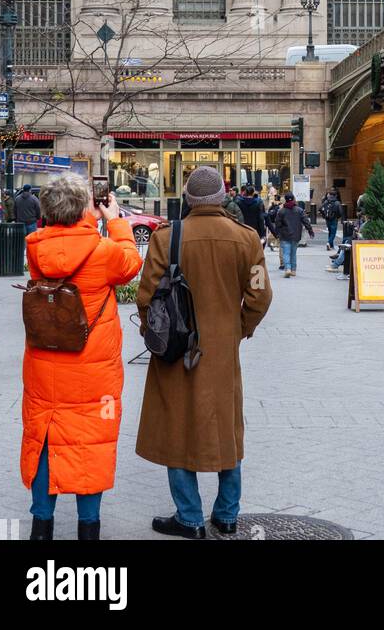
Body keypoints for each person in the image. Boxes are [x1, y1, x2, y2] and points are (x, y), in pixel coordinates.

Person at [135, 166, 272, 539]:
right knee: (228, 427)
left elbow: (146, 295)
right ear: (223, 196)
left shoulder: (168, 237)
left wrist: (155, 334)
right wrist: (241, 327)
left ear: (189, 199)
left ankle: (190, 517)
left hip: (177, 349)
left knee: (176, 427)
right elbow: (260, 294)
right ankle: (227, 514)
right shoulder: (246, 239)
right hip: (223, 350)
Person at [20, 173, 141, 541]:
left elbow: (63, 247)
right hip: (94, 369)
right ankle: (89, 527)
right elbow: (132, 264)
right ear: (82, 207)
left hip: (45, 363)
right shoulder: (102, 252)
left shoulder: (35, 247)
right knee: (92, 442)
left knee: (43, 438)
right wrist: (114, 219)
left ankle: (42, 525)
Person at [274, 192, 313, 277]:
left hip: (285, 235)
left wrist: (277, 233)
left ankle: (287, 268)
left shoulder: (281, 211)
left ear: (285, 200)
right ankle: (293, 270)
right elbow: (306, 221)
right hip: (296, 235)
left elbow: (277, 223)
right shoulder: (299, 210)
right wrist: (310, 231)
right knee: (293, 253)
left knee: (286, 253)